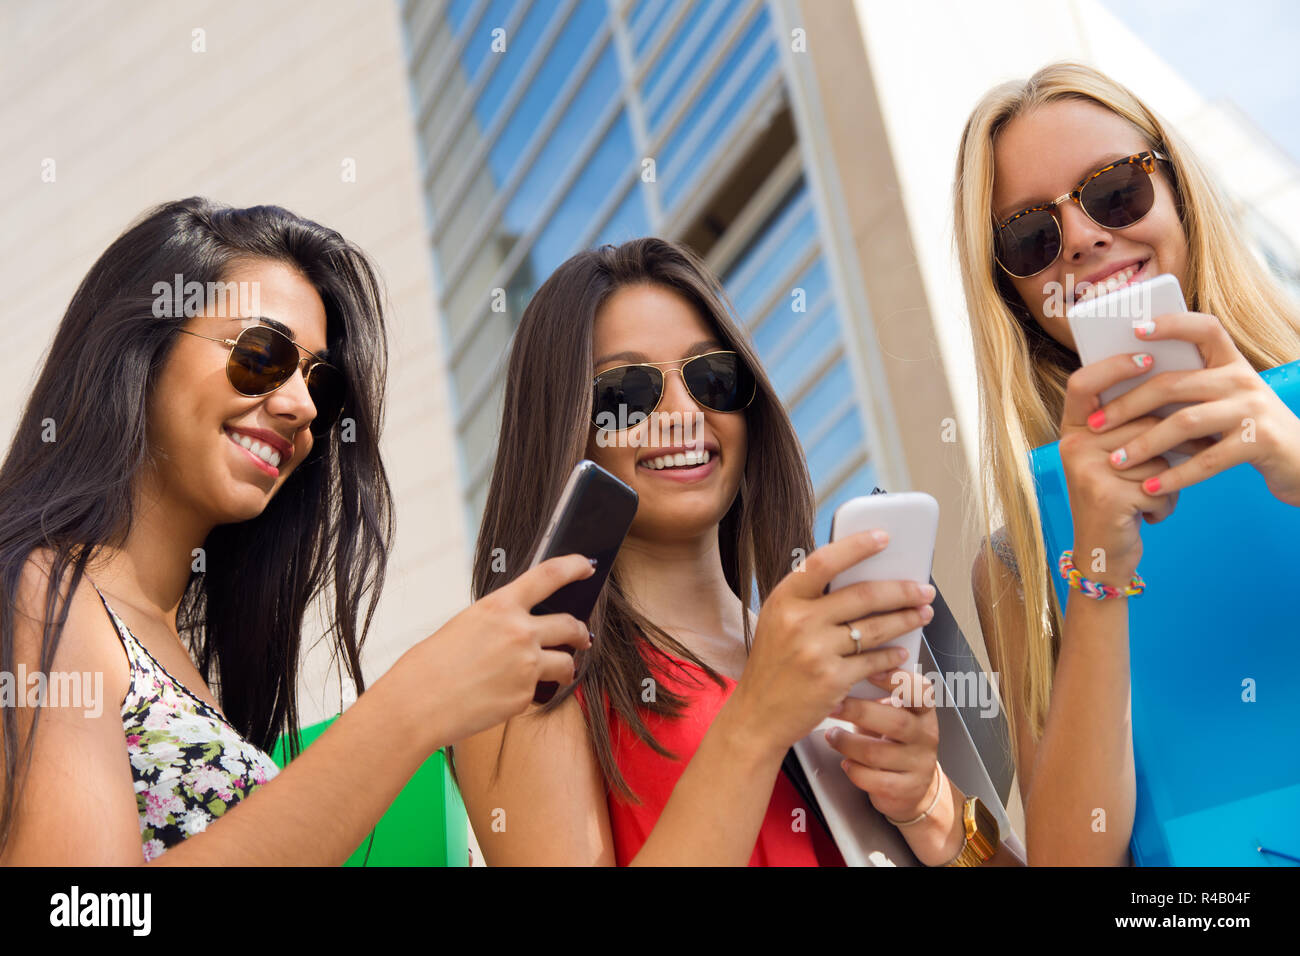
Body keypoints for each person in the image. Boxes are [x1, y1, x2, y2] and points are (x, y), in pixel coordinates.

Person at [0, 197, 595, 864]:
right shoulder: (46, 590)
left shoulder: (163, 650)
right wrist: (415, 704)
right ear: (139, 350)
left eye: (323, 385)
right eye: (260, 353)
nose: (302, 406)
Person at [454, 237, 1023, 866]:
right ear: (564, 426)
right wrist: (755, 722)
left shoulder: (823, 654)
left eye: (711, 377)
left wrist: (925, 802)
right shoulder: (531, 676)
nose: (682, 413)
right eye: (626, 393)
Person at [954, 61, 1300, 865]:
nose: (1081, 238)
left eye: (1114, 190)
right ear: (1013, 294)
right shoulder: (1020, 557)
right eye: (1032, 236)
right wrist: (1099, 572)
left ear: (1178, 191)